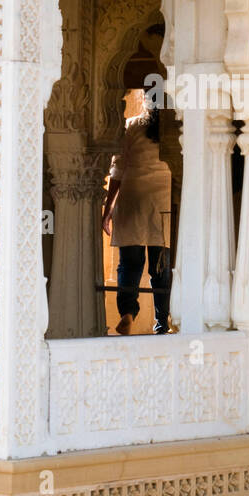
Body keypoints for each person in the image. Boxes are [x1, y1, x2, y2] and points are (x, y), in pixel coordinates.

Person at [101, 94, 173, 335]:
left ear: (146, 100)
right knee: (160, 266)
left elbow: (117, 168)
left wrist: (108, 208)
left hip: (133, 198)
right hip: (163, 201)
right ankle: (162, 322)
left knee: (129, 264)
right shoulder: (174, 129)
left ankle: (128, 313)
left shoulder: (131, 126)